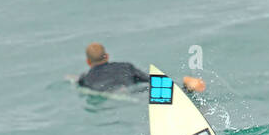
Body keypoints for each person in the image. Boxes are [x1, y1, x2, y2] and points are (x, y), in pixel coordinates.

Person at [77, 43, 205, 94]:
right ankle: (185, 87)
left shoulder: (85, 79)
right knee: (156, 89)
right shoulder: (125, 66)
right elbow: (148, 79)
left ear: (88, 62)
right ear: (107, 56)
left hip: (122, 93)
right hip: (136, 87)